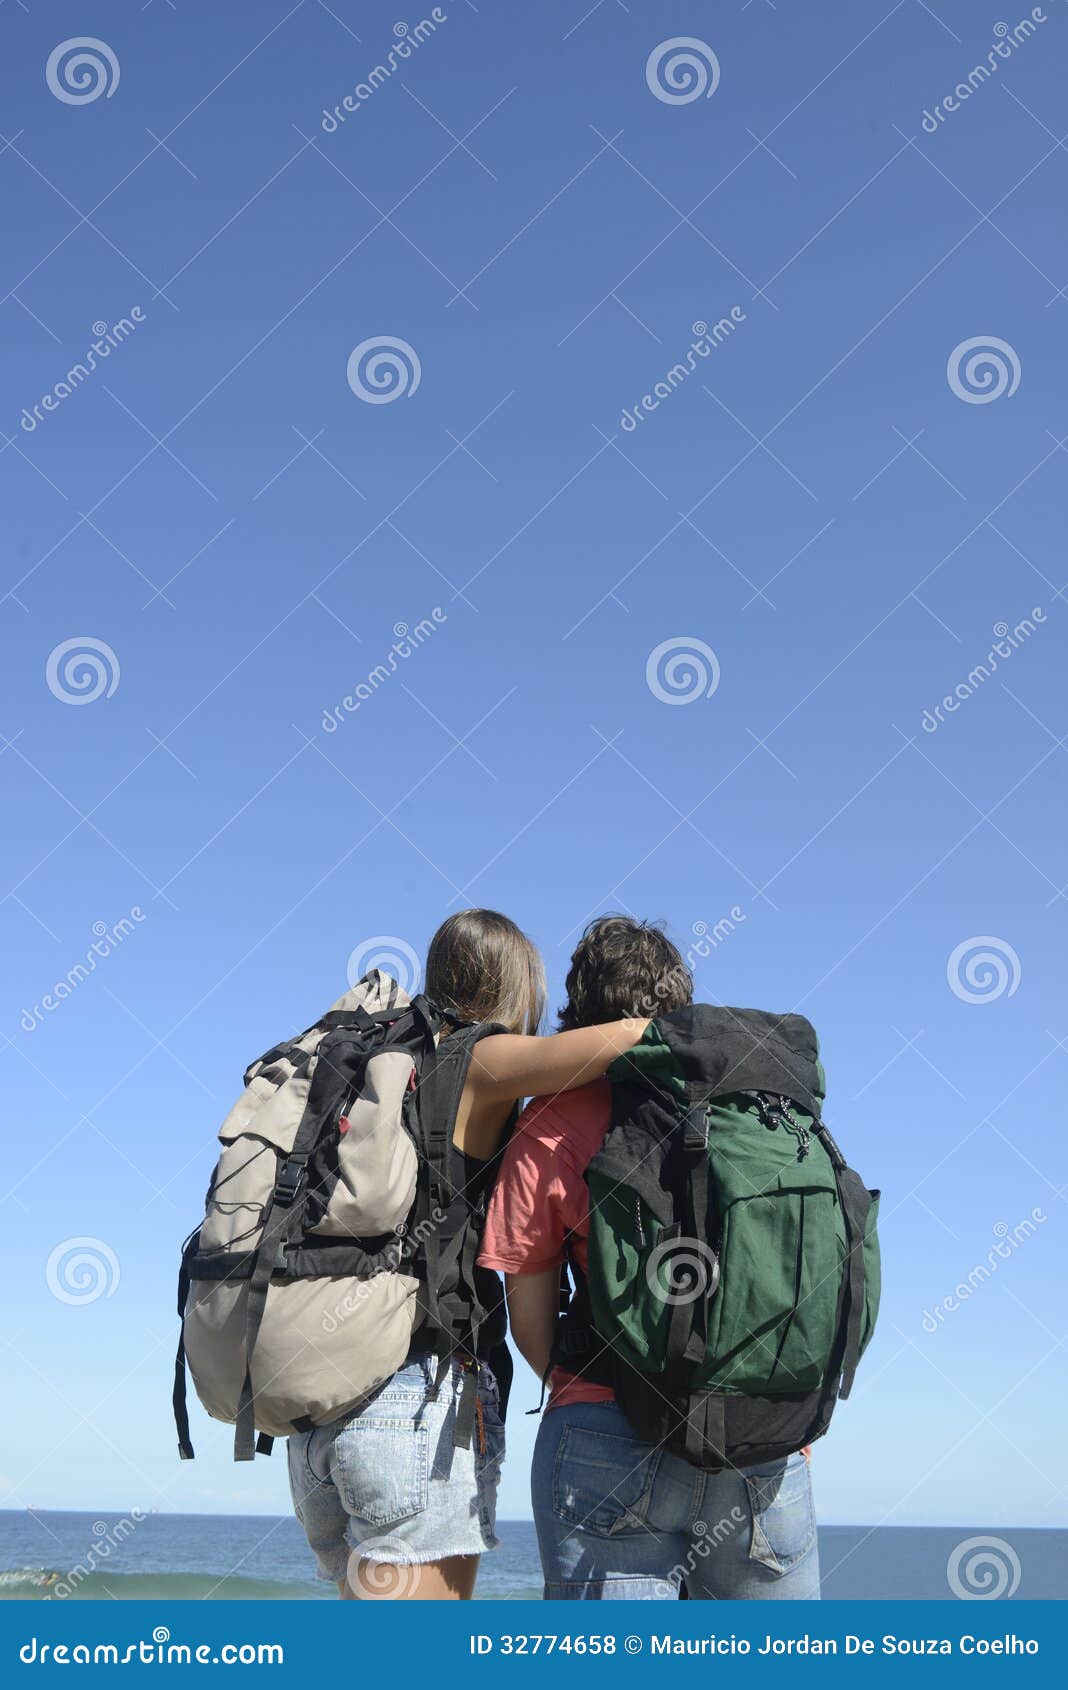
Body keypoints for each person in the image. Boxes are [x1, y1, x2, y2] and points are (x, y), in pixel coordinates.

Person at [286, 908, 649, 1602]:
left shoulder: (369, 1060)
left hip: (317, 1414)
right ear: (516, 990)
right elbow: (633, 1037)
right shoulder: (481, 1059)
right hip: (412, 1407)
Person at [479, 915, 821, 1600]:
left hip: (604, 1432)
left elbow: (532, 1329)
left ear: (581, 1012)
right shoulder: (758, 1110)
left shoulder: (551, 1122)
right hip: (761, 1441)